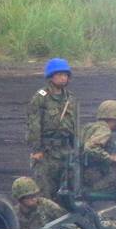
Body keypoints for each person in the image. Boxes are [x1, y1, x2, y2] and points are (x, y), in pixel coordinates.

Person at [27, 57, 77, 199]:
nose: (63, 78)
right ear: (51, 76)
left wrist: (76, 148)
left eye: (65, 75)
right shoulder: (41, 98)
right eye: (59, 74)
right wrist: (37, 150)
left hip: (66, 151)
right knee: (44, 193)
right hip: (47, 152)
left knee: (68, 193)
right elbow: (34, 124)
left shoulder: (70, 99)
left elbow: (74, 125)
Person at [82, 99, 116, 196]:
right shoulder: (104, 130)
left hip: (84, 174)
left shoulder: (89, 127)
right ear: (113, 118)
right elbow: (90, 147)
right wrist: (110, 158)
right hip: (94, 177)